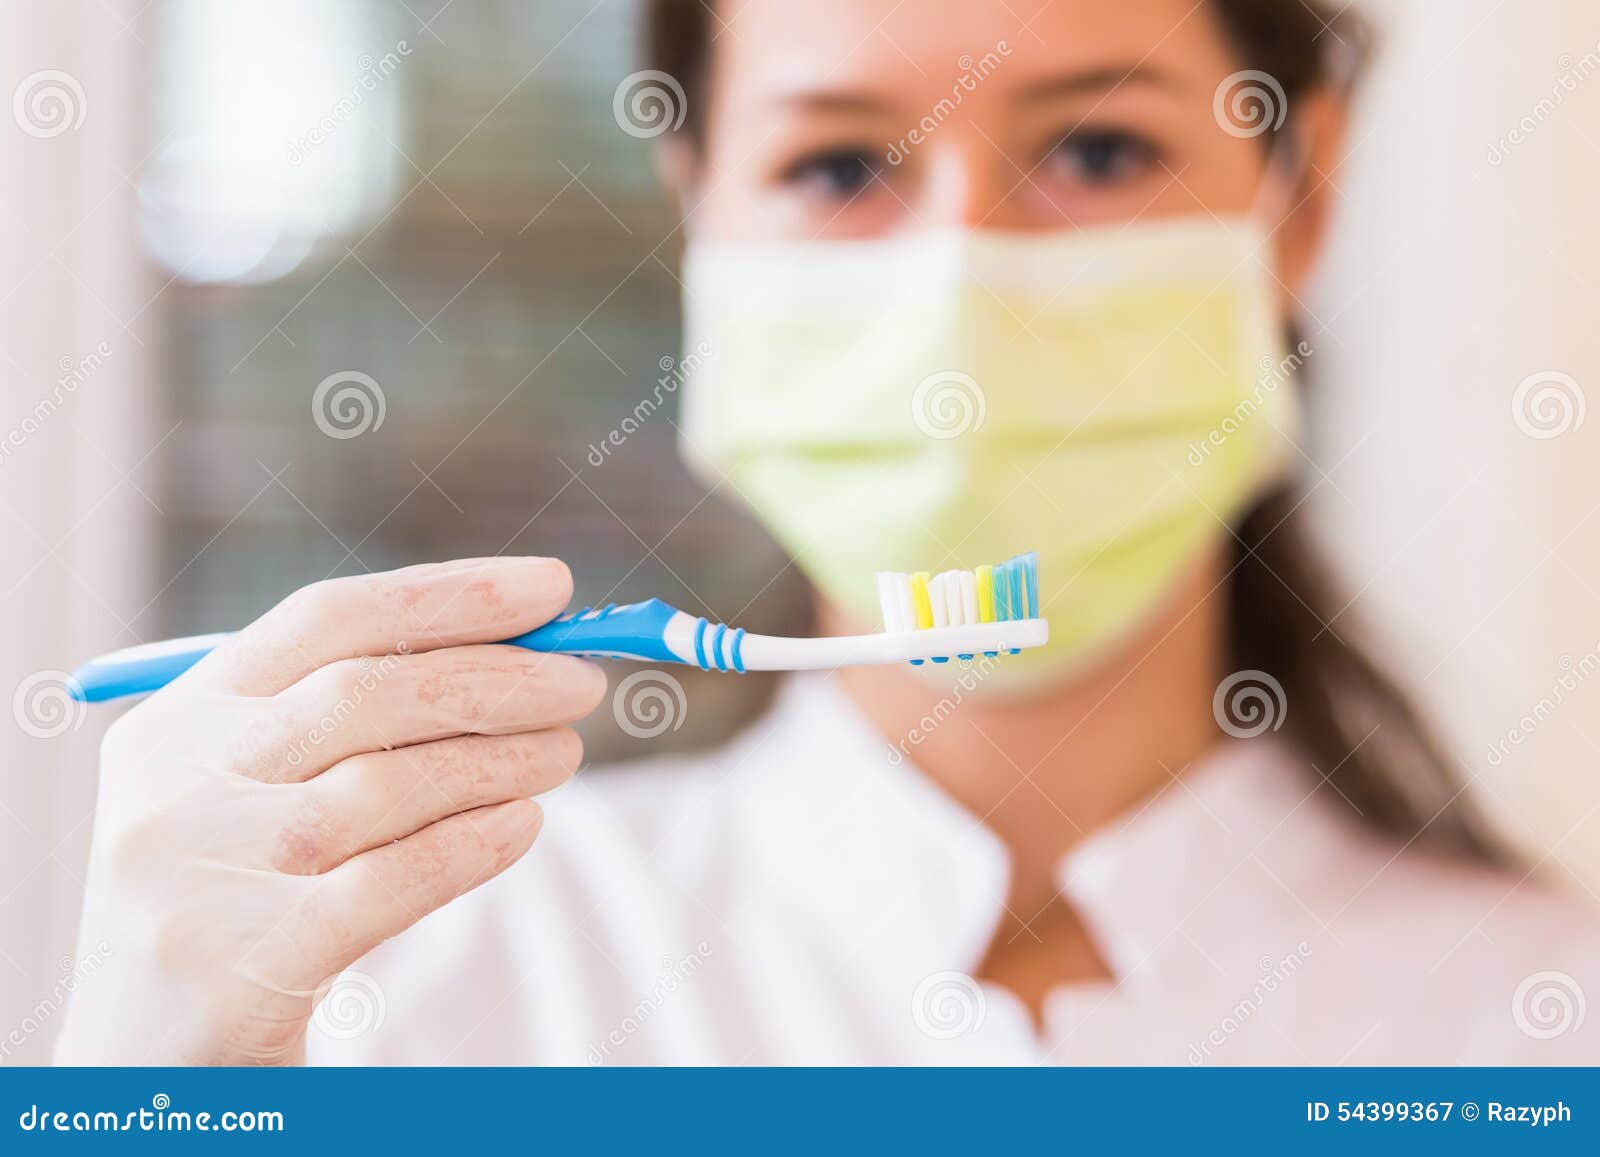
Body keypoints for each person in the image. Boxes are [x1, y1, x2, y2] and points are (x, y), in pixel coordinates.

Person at [58, 0, 1599, 1065]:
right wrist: (138, 1097)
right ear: (700, 215)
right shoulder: (415, 977)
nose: (959, 286)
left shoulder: (1538, 1022)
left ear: (1300, 197)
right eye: (842, 166)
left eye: (1100, 151)